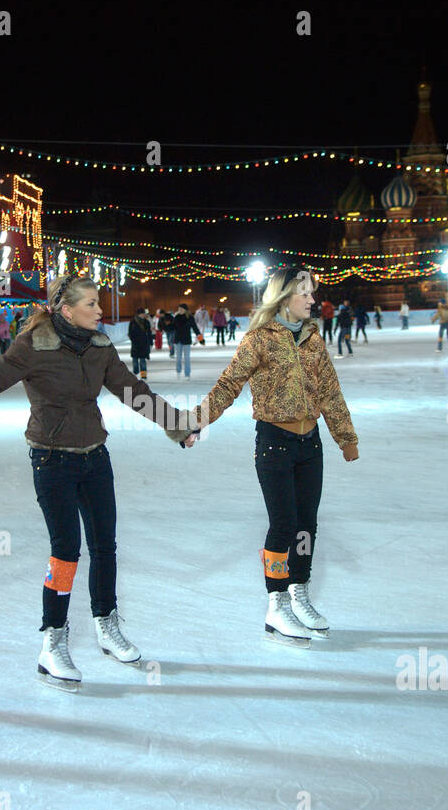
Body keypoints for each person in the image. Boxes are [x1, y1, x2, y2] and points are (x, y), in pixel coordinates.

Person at [0, 273, 196, 692]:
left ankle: (106, 624)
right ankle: (53, 641)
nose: (99, 310)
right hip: (51, 459)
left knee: (105, 544)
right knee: (65, 551)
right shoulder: (32, 346)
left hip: (95, 456)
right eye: (91, 304)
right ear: (67, 310)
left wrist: (177, 425)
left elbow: (132, 390)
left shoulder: (99, 348)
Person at [189, 266, 358, 647]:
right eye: (306, 294)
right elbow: (229, 383)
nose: (313, 300)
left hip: (309, 444)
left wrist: (344, 436)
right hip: (274, 443)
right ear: (284, 298)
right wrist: (196, 421)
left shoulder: (313, 339)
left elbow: (330, 390)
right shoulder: (260, 339)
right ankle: (277, 602)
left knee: (306, 526)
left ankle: (299, 592)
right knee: (283, 525)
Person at [171, 303, 198, 378]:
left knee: (187, 358)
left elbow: (195, 328)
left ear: (185, 309)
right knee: (178, 358)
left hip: (186, 340)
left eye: (181, 309)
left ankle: (187, 374)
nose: (180, 310)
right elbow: (172, 327)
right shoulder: (176, 317)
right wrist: (165, 326)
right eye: (179, 309)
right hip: (178, 340)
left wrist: (200, 338)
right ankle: (178, 371)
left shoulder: (190, 317)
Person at [128, 307, 152, 378]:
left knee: (142, 361)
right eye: (143, 314)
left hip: (144, 343)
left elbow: (149, 333)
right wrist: (133, 339)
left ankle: (144, 375)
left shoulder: (146, 322)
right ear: (139, 314)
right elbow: (130, 332)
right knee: (135, 360)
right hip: (135, 343)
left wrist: (150, 342)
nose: (144, 315)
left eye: (144, 314)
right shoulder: (133, 322)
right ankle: (135, 372)